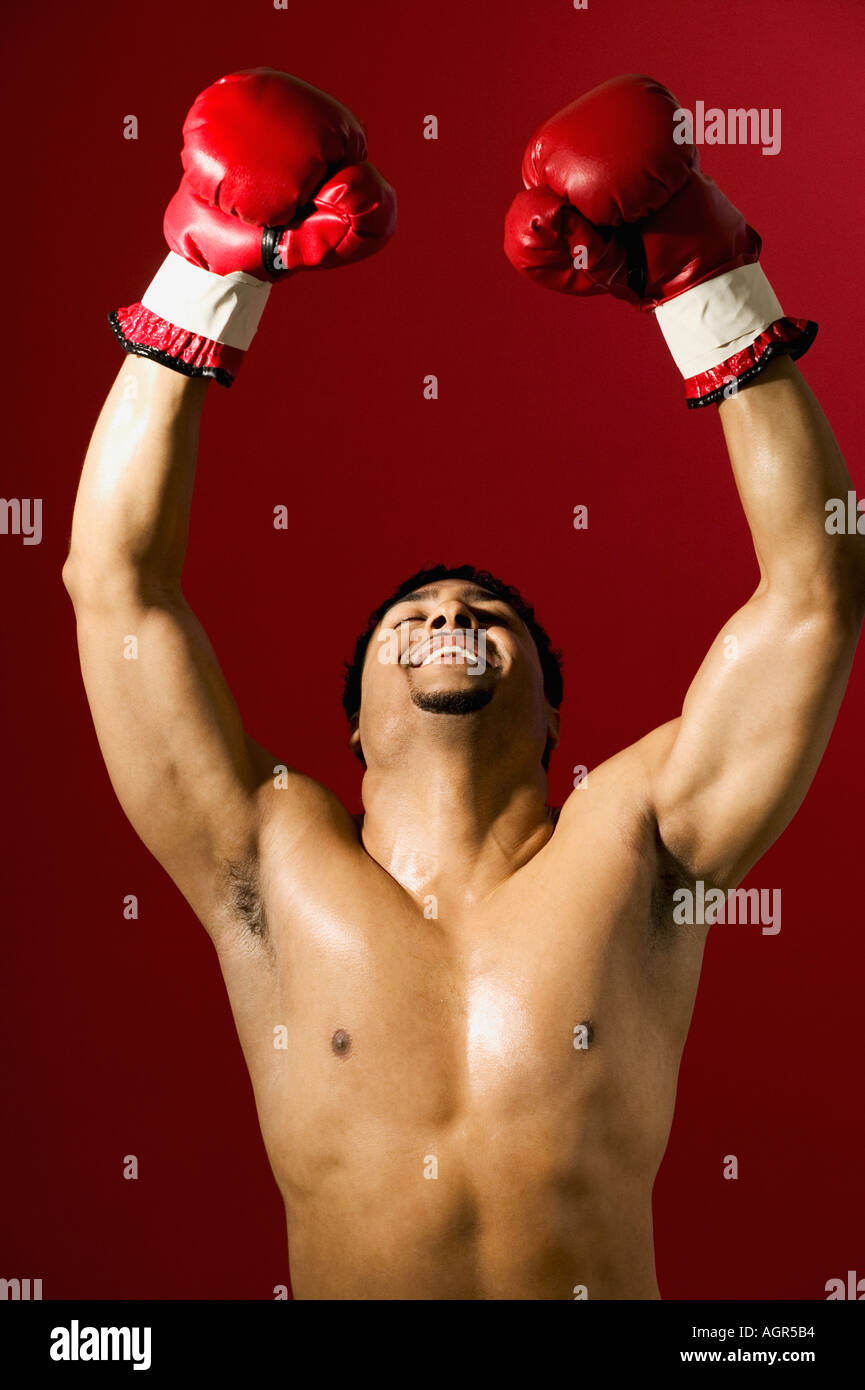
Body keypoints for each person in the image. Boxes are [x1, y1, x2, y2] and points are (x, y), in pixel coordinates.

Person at [63, 70, 865, 1299]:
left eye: (485, 614)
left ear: (552, 711)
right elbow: (113, 584)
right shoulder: (267, 852)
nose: (446, 614)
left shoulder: (642, 833)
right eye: (415, 615)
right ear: (352, 720)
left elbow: (817, 591)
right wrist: (209, 272)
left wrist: (701, 280)